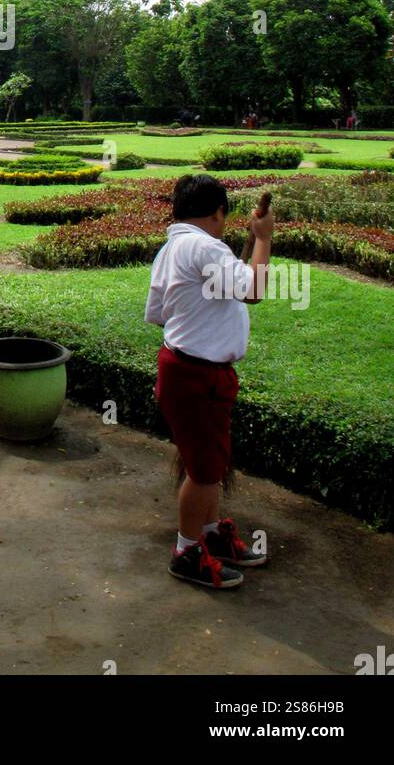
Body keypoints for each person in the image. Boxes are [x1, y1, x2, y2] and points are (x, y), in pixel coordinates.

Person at [145, 173, 274, 590]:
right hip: (197, 374)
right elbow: (253, 289)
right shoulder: (203, 246)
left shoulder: (174, 247)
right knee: (203, 472)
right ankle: (187, 552)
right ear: (217, 212)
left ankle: (212, 533)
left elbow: (161, 313)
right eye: (223, 215)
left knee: (210, 463)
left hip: (185, 367)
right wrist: (265, 239)